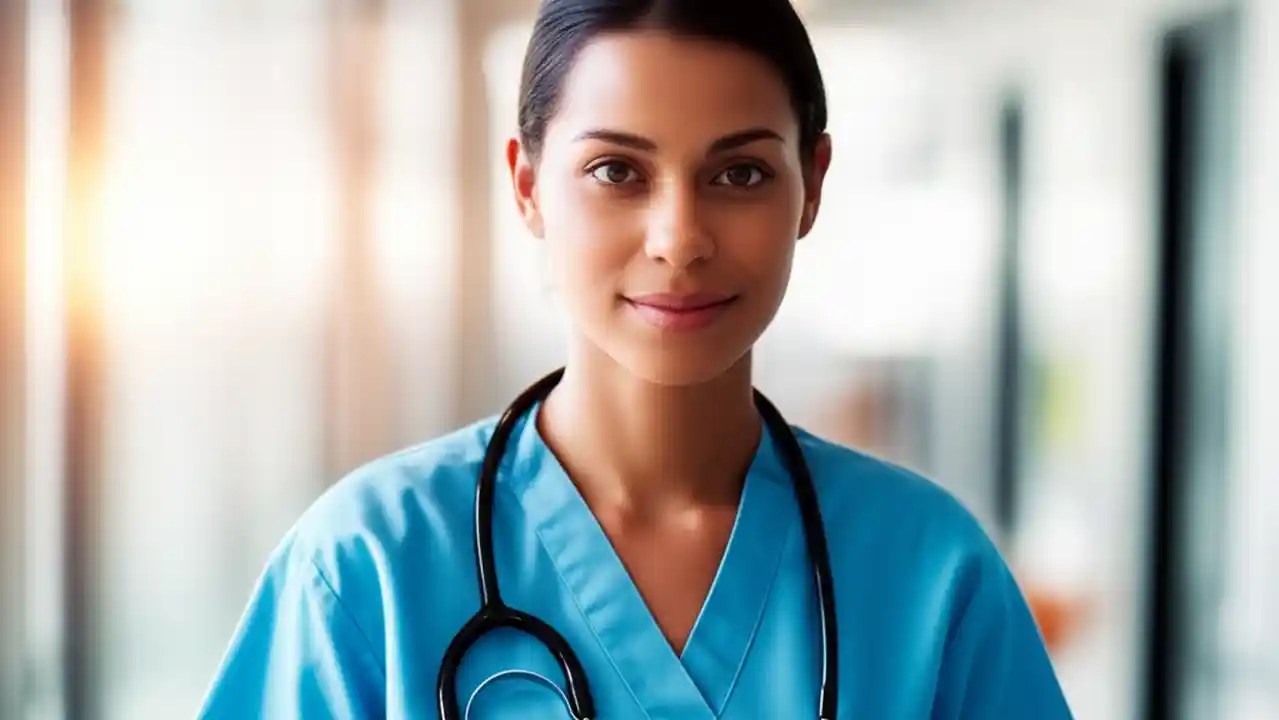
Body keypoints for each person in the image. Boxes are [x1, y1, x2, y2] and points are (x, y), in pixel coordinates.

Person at [199, 0, 1074, 717]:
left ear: (812, 184)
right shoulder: (367, 569)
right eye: (618, 171)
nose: (680, 239)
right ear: (528, 185)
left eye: (739, 175)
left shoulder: (931, 574)